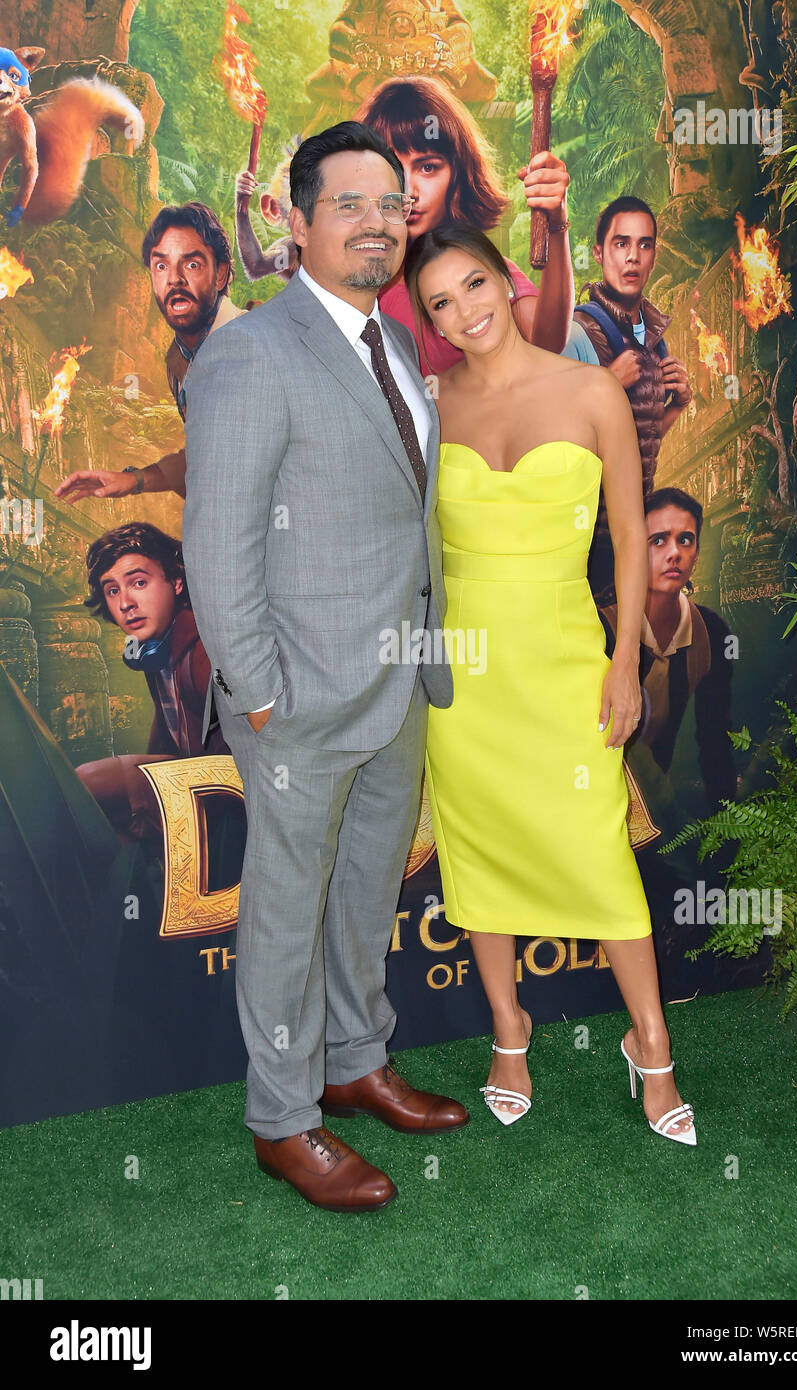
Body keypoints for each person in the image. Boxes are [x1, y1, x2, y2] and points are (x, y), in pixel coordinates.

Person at [181, 121, 467, 1215]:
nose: (375, 221)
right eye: (347, 202)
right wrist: (259, 692)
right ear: (296, 224)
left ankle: (356, 1057)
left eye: (389, 203)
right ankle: (283, 1118)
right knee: (287, 908)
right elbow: (219, 545)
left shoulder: (392, 343)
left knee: (364, 889)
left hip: (397, 683)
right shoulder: (251, 350)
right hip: (294, 699)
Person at [405, 223, 696, 1145]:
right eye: (440, 303)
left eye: (475, 286)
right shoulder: (424, 402)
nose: (464, 313)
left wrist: (623, 665)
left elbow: (625, 542)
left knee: (600, 854)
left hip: (567, 656)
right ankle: (509, 1031)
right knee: (478, 852)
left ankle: (651, 1043)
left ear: (509, 280)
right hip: (465, 675)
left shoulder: (591, 391)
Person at [233, 74, 574, 369]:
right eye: (394, 168)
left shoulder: (477, 271)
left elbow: (545, 341)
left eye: (428, 167)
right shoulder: (342, 272)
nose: (409, 190)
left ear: (457, 175)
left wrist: (557, 224)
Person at [54, 202, 244, 504]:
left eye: (192, 264)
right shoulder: (178, 361)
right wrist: (134, 479)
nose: (174, 279)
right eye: (161, 265)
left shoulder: (255, 347)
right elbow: (208, 456)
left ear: (220, 275)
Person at [76, 523, 229, 843]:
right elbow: (167, 730)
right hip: (188, 781)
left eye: (139, 582)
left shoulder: (207, 649)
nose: (125, 602)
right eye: (112, 590)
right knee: (110, 839)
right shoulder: (154, 651)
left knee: (84, 784)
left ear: (175, 582)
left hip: (223, 795)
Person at [573, 196, 692, 602]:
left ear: (654, 255)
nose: (632, 257)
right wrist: (606, 383)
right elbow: (554, 433)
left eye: (644, 245)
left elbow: (639, 438)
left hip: (633, 529)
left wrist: (674, 407)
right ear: (599, 252)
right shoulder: (581, 330)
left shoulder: (653, 335)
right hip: (588, 534)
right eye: (621, 244)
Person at [599, 488, 737, 812]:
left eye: (685, 540)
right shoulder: (602, 625)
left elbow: (714, 740)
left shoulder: (709, 632)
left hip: (664, 805)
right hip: (597, 791)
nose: (673, 552)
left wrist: (724, 829)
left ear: (698, 552)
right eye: (658, 540)